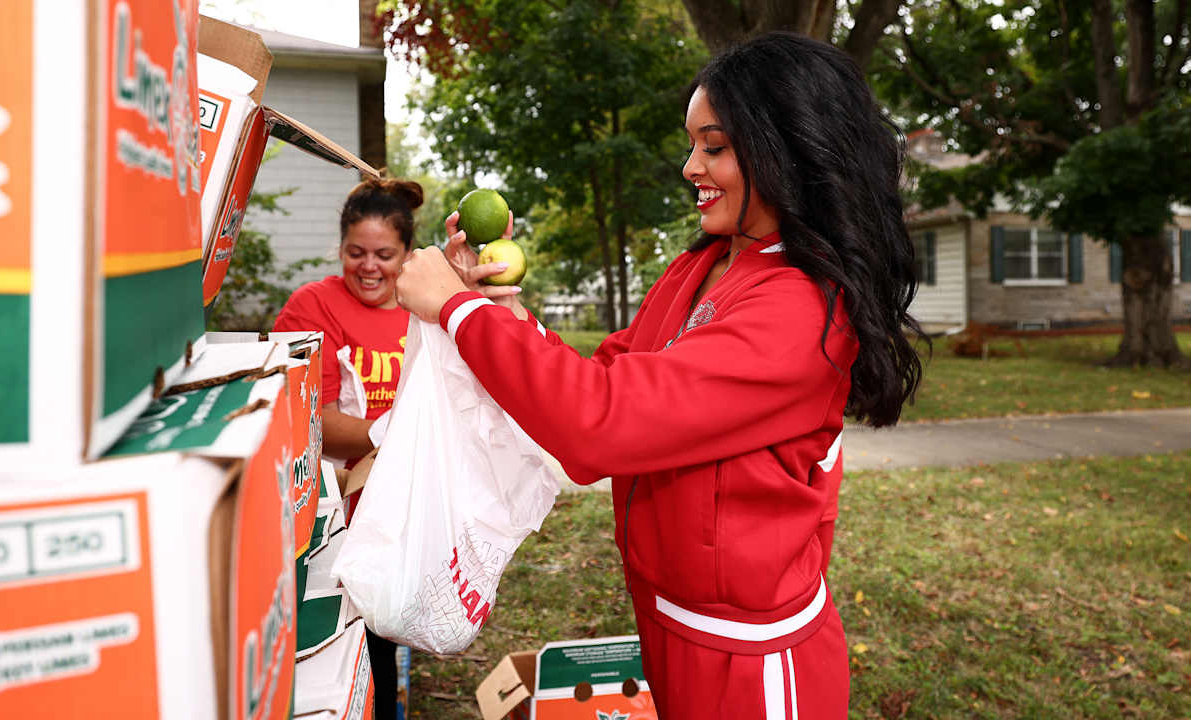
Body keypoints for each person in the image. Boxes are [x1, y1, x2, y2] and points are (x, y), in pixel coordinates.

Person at [395, 33, 925, 718]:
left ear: (787, 146)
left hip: (750, 659)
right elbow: (608, 376)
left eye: (715, 146)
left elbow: (598, 426)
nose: (689, 167)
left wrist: (458, 310)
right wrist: (497, 309)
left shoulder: (802, 310)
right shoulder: (704, 264)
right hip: (669, 620)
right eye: (692, 144)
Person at [273, 174, 423, 720]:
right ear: (339, 248)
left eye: (385, 254)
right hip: (337, 514)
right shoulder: (313, 306)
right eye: (355, 252)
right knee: (347, 649)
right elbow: (307, 421)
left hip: (402, 507)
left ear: (407, 255)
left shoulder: (421, 313)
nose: (369, 267)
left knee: (390, 631)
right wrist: (399, 435)